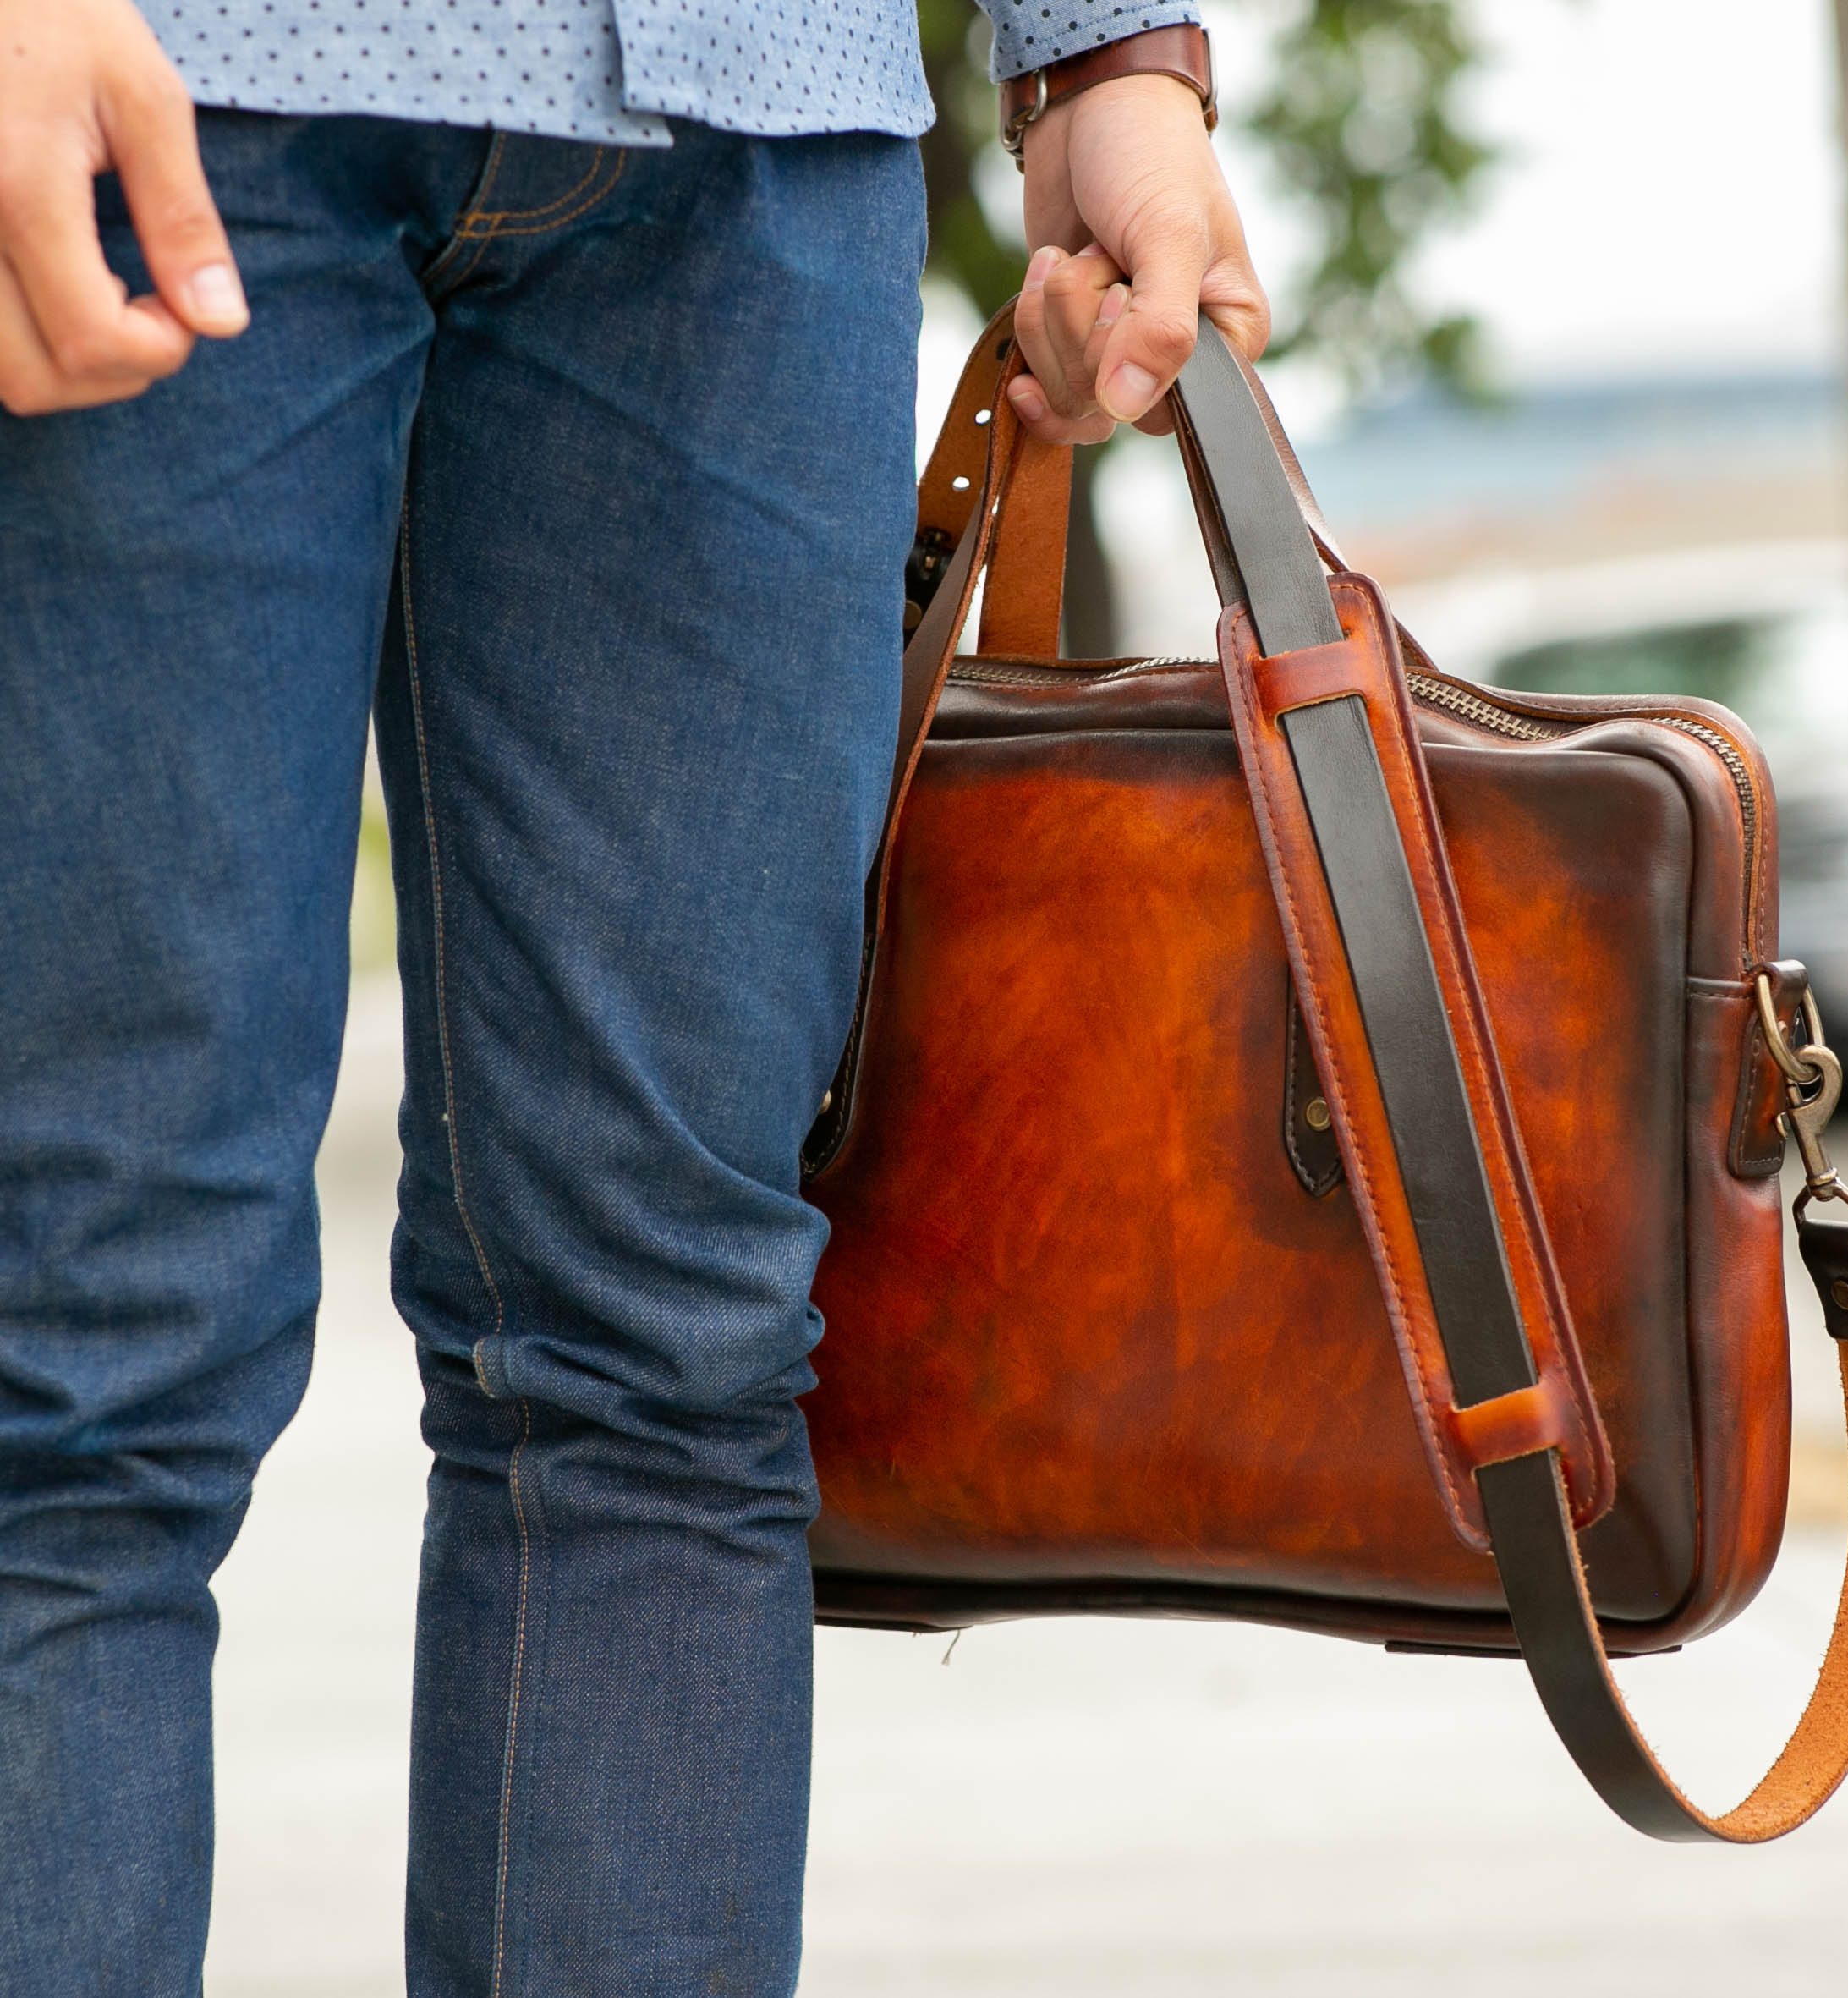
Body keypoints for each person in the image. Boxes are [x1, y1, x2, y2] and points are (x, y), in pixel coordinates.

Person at [0, 0, 1267, 1988]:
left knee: (669, 1354)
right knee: (76, 1350)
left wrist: (1103, 57)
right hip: (167, 77)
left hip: (750, 119)